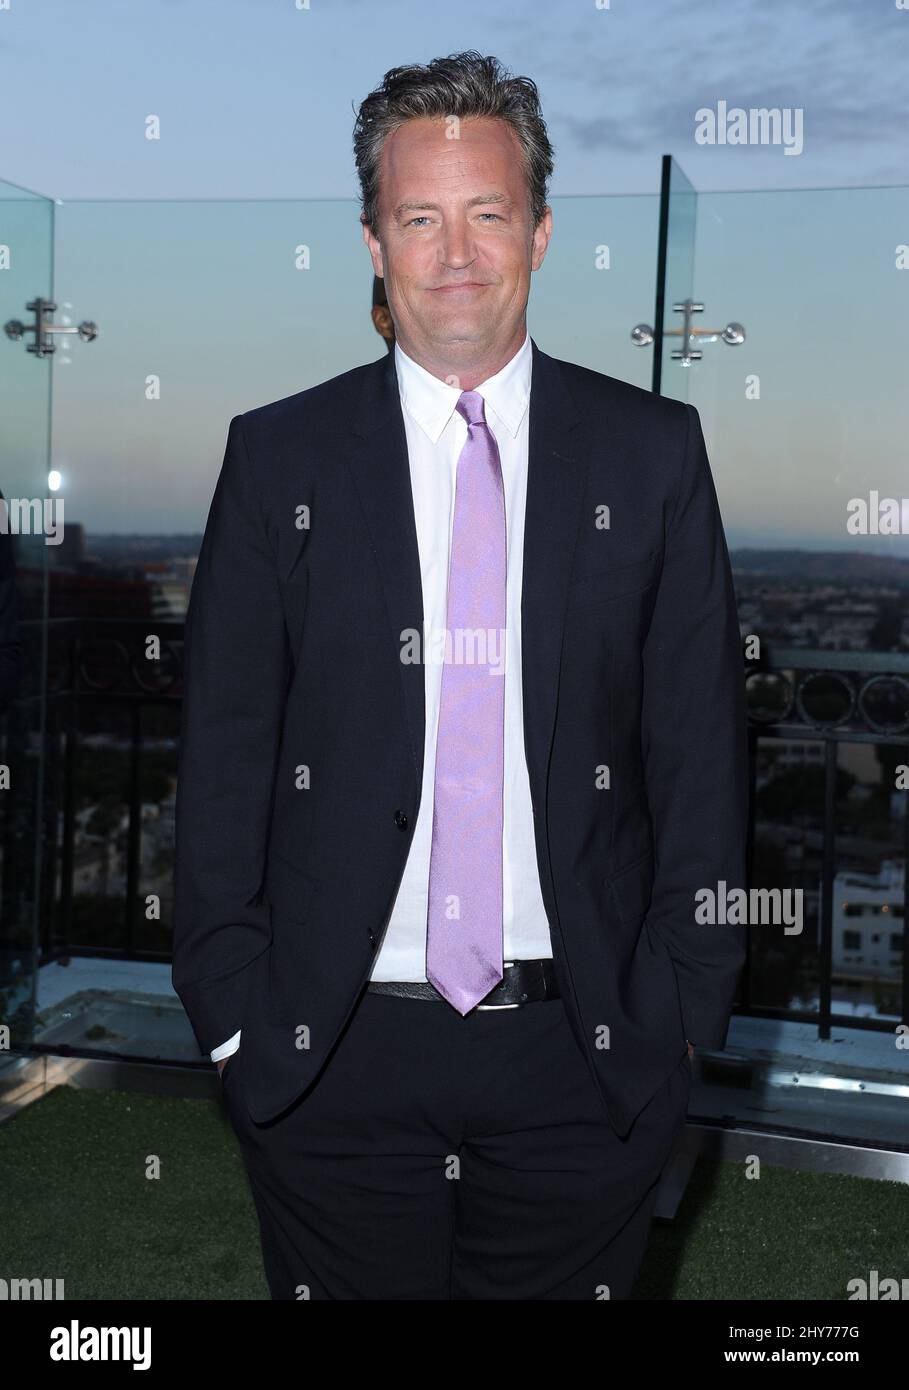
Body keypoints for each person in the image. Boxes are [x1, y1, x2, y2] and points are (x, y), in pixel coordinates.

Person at [172, 50, 748, 1301]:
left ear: (539, 231)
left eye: (486, 213)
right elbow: (222, 762)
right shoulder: (278, 459)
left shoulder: (653, 455)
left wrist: (684, 1018)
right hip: (333, 1055)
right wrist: (233, 1024)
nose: (455, 252)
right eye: (418, 217)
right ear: (373, 241)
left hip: (581, 1054)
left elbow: (700, 761)